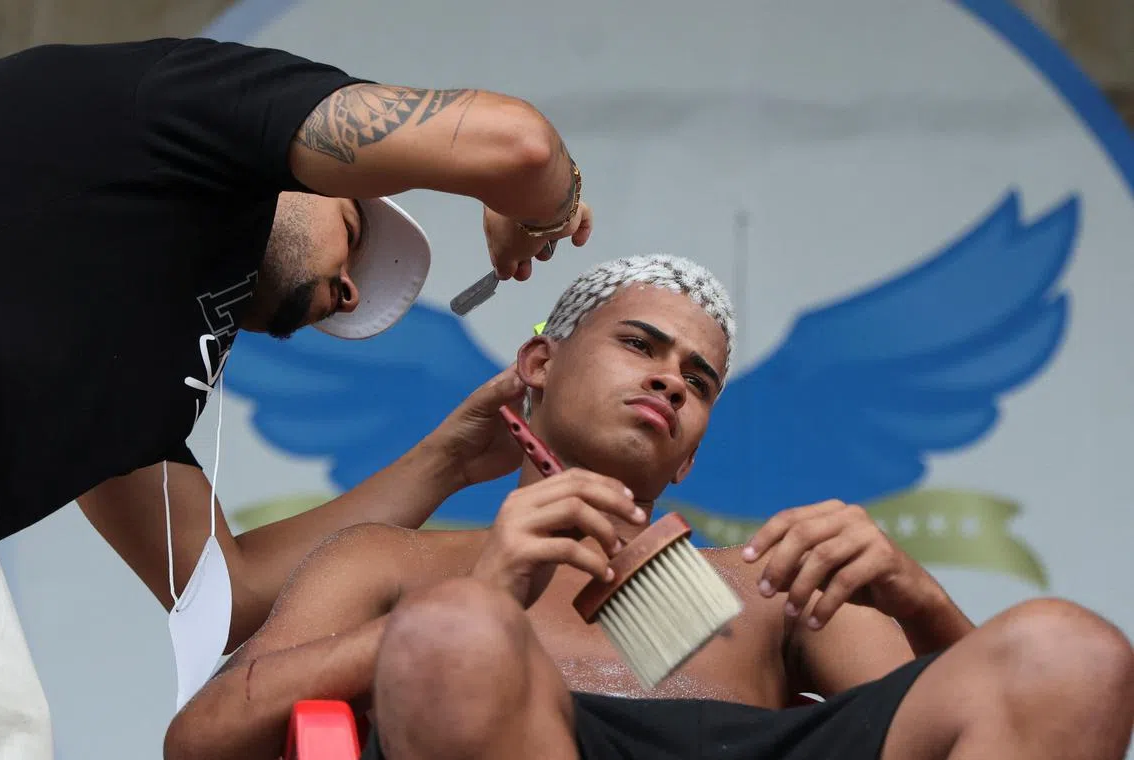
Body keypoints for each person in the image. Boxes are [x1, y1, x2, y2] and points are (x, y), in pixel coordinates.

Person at [164, 253, 1134, 760]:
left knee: (1070, 650)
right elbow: (201, 740)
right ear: (537, 365)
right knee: (456, 630)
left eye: (700, 377)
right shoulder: (396, 563)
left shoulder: (762, 585)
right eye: (641, 345)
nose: (672, 378)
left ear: (697, 444)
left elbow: (980, 717)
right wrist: (483, 593)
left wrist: (919, 600)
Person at [0, 35, 591, 756]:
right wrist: (537, 213)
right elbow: (521, 149)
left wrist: (451, 460)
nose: (348, 293)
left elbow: (230, 594)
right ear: (297, 175)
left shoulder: (143, 387)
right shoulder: (193, 103)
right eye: (353, 230)